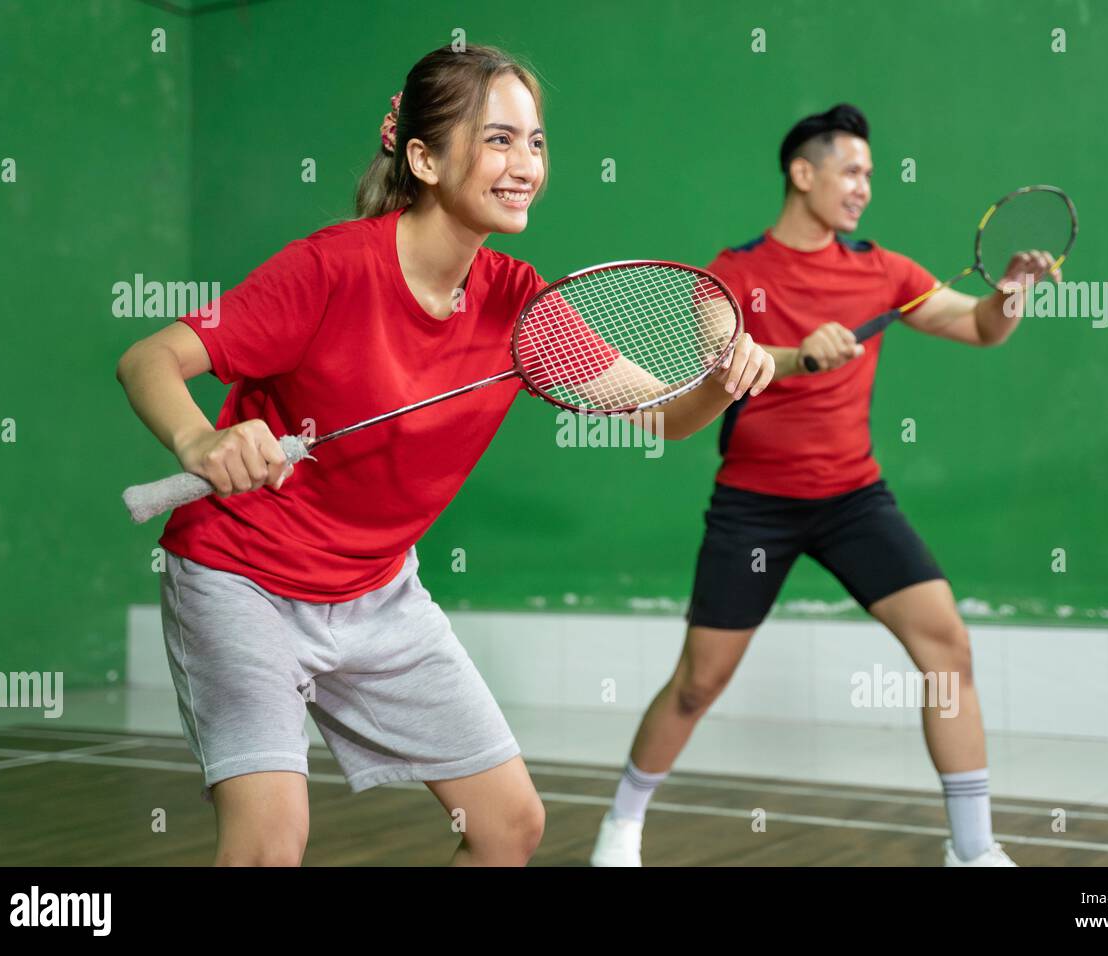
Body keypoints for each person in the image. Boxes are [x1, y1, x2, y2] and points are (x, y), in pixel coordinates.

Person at [115, 43, 773, 867]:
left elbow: (663, 415)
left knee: (508, 827)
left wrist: (721, 380)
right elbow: (149, 358)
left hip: (378, 591)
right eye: (498, 140)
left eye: (535, 142)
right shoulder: (331, 268)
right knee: (268, 844)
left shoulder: (519, 304)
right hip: (242, 580)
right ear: (422, 158)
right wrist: (200, 438)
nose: (525, 164)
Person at [592, 104, 1059, 868]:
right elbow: (723, 366)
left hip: (852, 499)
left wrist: (1009, 291)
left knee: (949, 648)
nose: (864, 188)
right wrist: (796, 356)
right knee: (696, 684)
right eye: (852, 170)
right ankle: (622, 826)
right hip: (754, 508)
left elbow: (979, 327)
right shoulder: (728, 275)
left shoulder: (884, 271)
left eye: (871, 174)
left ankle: (973, 852)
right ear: (802, 173)